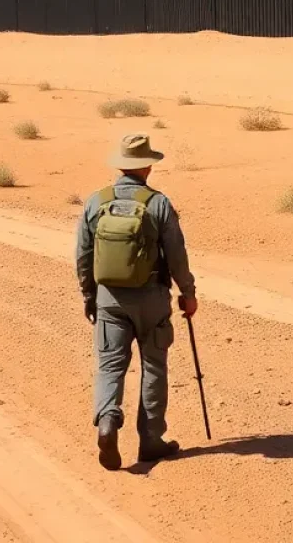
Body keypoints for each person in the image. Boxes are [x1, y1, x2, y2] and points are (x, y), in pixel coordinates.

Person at [76, 132, 198, 471]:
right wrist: (188, 294)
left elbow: (83, 256)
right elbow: (177, 256)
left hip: (109, 300)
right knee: (154, 366)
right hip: (152, 300)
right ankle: (151, 440)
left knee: (110, 365)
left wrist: (89, 296)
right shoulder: (158, 203)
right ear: (147, 165)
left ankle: (107, 421)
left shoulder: (95, 202)